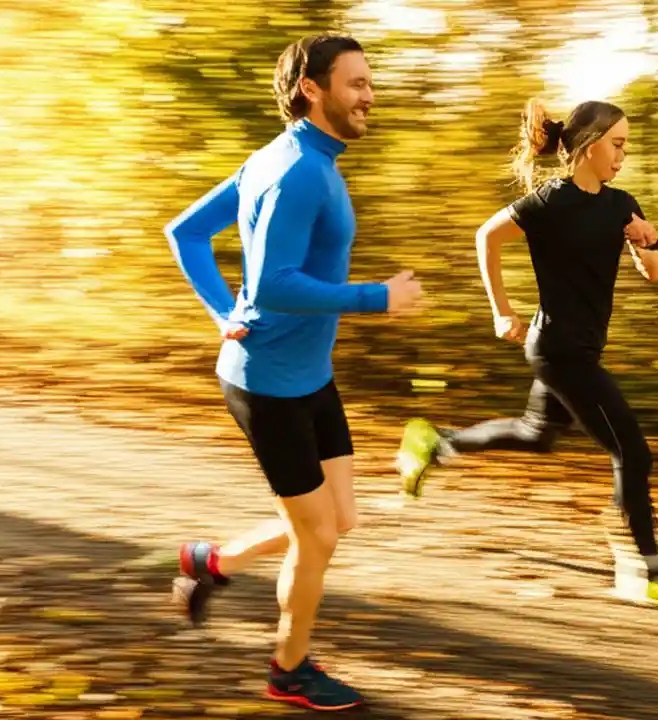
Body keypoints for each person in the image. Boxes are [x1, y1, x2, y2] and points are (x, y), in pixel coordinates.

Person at [163, 33, 422, 711]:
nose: (369, 95)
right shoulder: (299, 169)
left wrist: (226, 308)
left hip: (310, 374)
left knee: (339, 519)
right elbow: (275, 284)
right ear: (313, 88)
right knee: (318, 536)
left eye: (370, 82)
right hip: (268, 383)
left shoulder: (288, 158)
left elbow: (185, 234)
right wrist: (377, 297)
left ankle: (210, 563)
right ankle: (289, 669)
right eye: (356, 83)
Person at [395, 98, 658, 610]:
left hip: (576, 348)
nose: (622, 156)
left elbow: (657, 272)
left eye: (626, 147)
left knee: (537, 435)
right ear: (591, 146)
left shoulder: (621, 204)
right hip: (558, 350)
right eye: (617, 145)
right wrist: (500, 311)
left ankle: (437, 443)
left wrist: (648, 240)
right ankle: (650, 568)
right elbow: (486, 236)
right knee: (632, 452)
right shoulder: (548, 203)